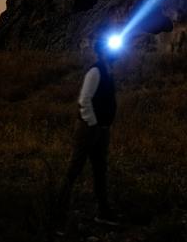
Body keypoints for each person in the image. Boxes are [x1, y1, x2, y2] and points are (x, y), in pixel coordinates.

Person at [55, 35, 121, 232]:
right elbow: (84, 100)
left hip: (100, 130)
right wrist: (93, 124)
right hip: (89, 130)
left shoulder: (107, 72)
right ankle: (59, 216)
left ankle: (102, 212)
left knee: (100, 170)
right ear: (102, 52)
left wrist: (103, 126)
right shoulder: (95, 71)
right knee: (74, 170)